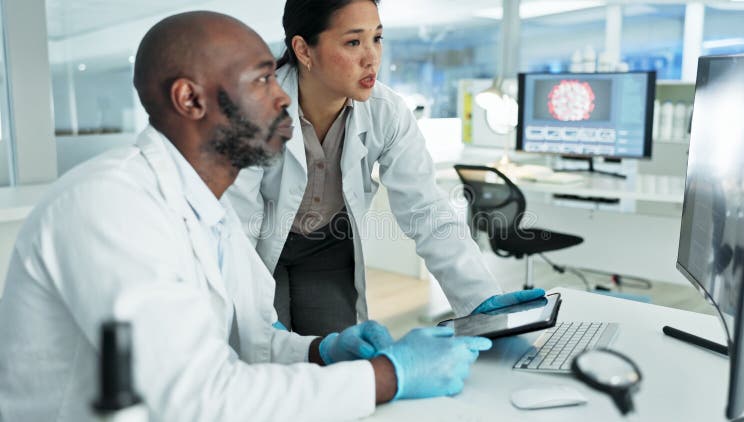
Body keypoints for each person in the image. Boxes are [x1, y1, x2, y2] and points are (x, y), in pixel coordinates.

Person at [0, 11, 491, 422]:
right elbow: (198, 399)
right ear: (189, 99)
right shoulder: (110, 206)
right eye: (261, 79)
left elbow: (251, 344)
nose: (281, 96)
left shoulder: (206, 213)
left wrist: (321, 351)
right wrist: (387, 375)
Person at [226, 0, 545, 336]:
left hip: (327, 246)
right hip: (258, 245)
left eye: (376, 38)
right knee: (266, 351)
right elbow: (235, 219)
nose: (372, 58)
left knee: (331, 354)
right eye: (353, 42)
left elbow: (427, 208)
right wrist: (254, 309)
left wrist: (480, 297)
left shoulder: (387, 111)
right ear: (304, 50)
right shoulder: (254, 108)